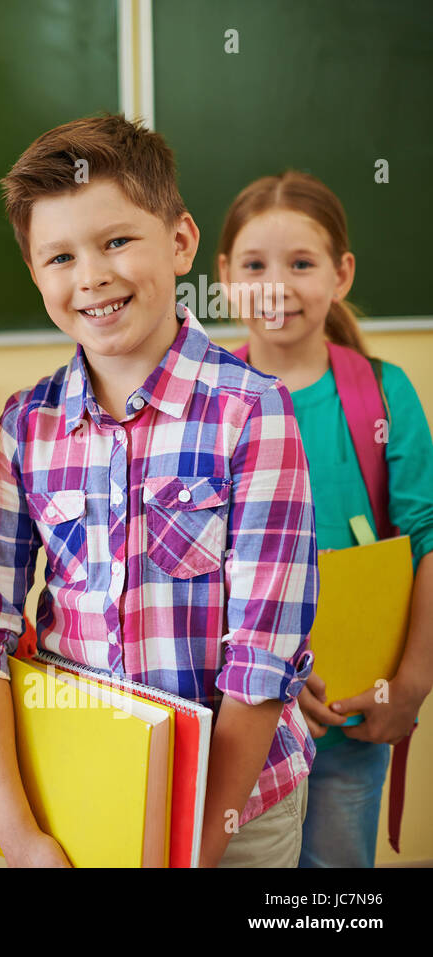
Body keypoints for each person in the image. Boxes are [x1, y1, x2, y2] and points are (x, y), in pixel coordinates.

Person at [0, 115, 318, 867]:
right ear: (37, 275)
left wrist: (197, 845)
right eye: (60, 256)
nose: (92, 276)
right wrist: (21, 837)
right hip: (84, 796)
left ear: (180, 242)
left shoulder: (252, 410)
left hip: (236, 807)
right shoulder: (24, 426)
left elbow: (262, 661)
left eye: (116, 241)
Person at [217, 170, 433, 867]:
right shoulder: (211, 403)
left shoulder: (383, 393)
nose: (276, 286)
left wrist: (409, 687)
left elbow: (427, 541)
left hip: (351, 719)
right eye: (254, 266)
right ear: (224, 276)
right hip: (242, 730)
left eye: (301, 264)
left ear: (341, 274)